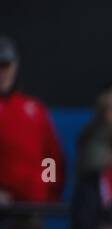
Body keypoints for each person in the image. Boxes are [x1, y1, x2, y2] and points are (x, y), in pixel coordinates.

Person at [0, 36, 65, 204]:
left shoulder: (35, 109)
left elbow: (50, 157)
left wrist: (46, 189)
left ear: (15, 67)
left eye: (5, 65)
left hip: (30, 207)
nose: (2, 72)